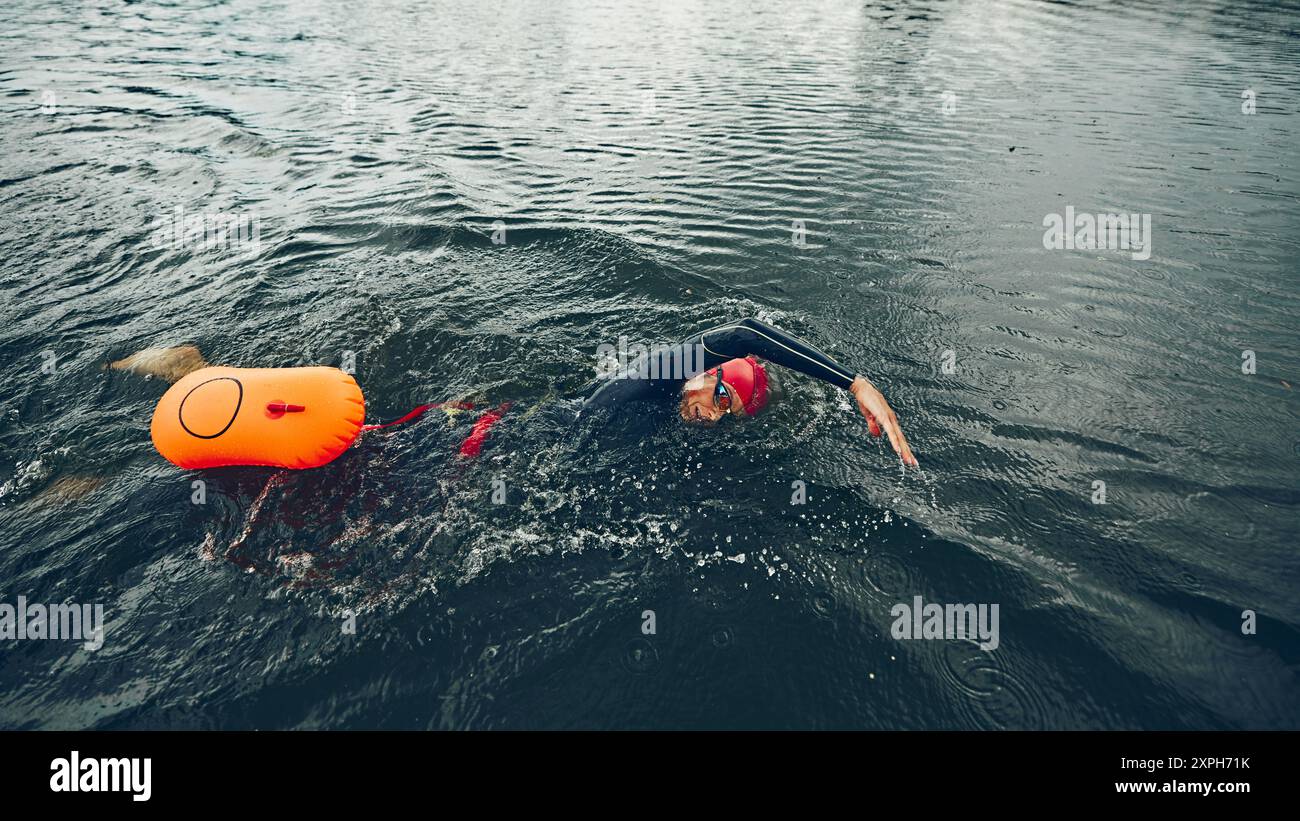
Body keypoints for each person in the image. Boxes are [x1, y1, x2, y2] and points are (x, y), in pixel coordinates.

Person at [582, 317, 918, 466]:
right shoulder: (665, 371)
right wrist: (854, 383)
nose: (714, 416)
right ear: (705, 373)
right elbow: (744, 332)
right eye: (723, 398)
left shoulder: (670, 412)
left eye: (727, 413)